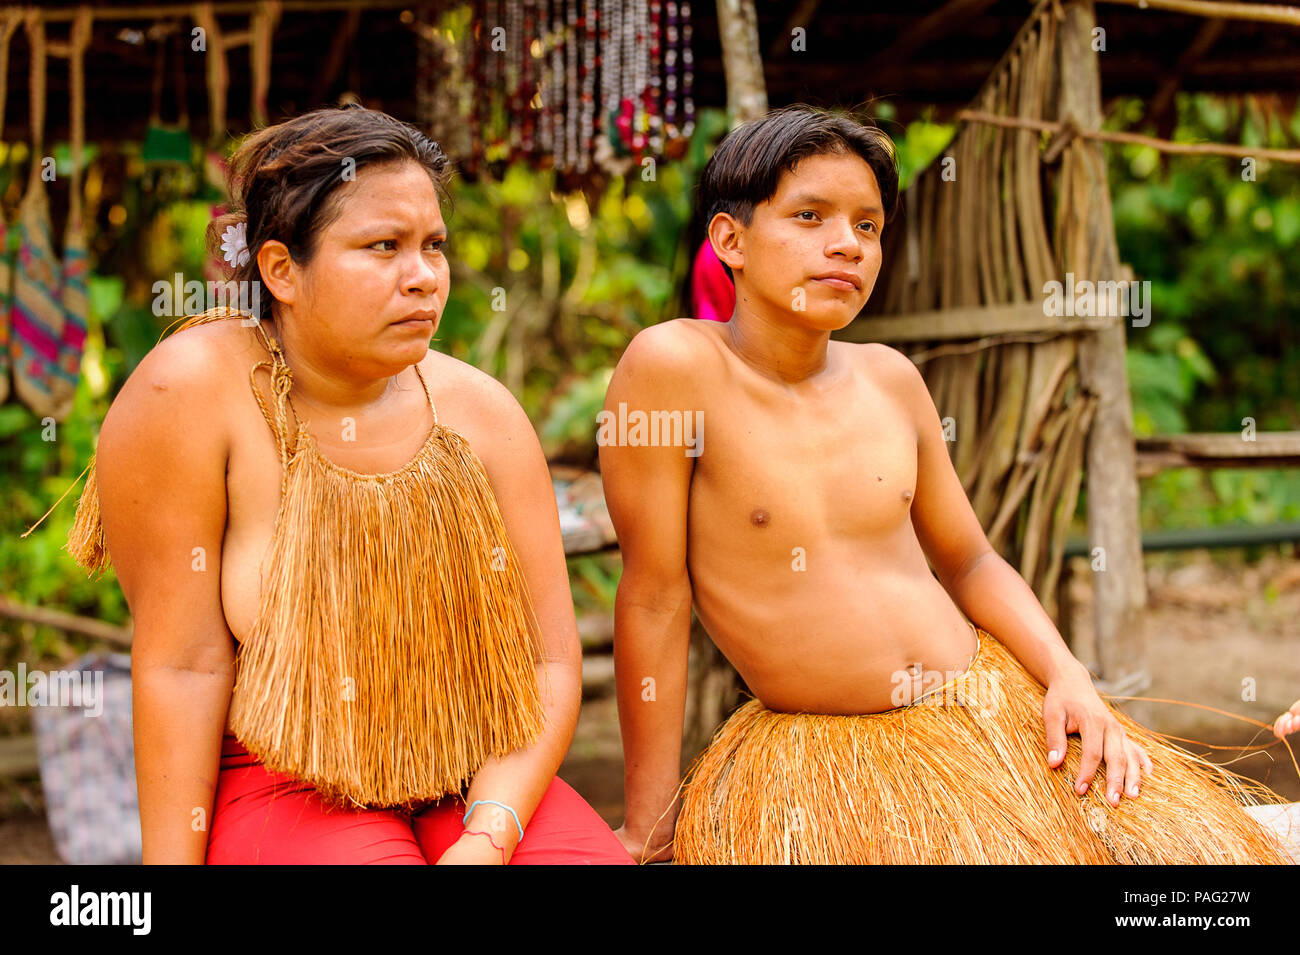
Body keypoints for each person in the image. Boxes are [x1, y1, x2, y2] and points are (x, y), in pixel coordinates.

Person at [599, 104, 1292, 864]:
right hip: (832, 761)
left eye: (868, 226)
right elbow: (655, 596)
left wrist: (1067, 674)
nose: (846, 245)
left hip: (989, 711)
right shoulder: (675, 367)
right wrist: (648, 822)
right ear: (730, 240)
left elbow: (969, 561)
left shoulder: (891, 378)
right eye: (810, 215)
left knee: (1201, 870)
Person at [61, 105, 632, 865]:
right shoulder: (192, 393)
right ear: (281, 269)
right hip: (283, 777)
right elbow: (182, 665)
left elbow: (547, 664)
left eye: (434, 245)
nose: (424, 276)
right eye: (383, 246)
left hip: (475, 772)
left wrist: (489, 836)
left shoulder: (483, 413)